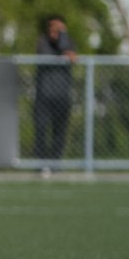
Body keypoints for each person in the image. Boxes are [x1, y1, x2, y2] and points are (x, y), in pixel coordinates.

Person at [33, 14, 77, 161]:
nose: (55, 30)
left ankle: (56, 163)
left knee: (60, 131)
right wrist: (63, 55)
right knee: (41, 129)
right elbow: (45, 56)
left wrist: (63, 36)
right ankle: (41, 164)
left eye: (58, 27)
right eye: (52, 26)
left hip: (62, 95)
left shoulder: (68, 41)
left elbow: (70, 54)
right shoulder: (42, 42)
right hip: (44, 95)